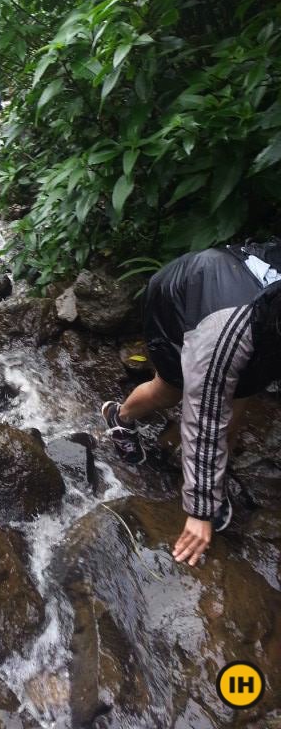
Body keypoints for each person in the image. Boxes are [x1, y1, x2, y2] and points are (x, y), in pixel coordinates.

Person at [101, 238, 281, 567]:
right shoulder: (229, 332)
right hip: (181, 303)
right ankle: (119, 416)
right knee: (171, 390)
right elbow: (205, 413)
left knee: (237, 400)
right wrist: (199, 511)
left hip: (242, 308)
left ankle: (214, 481)